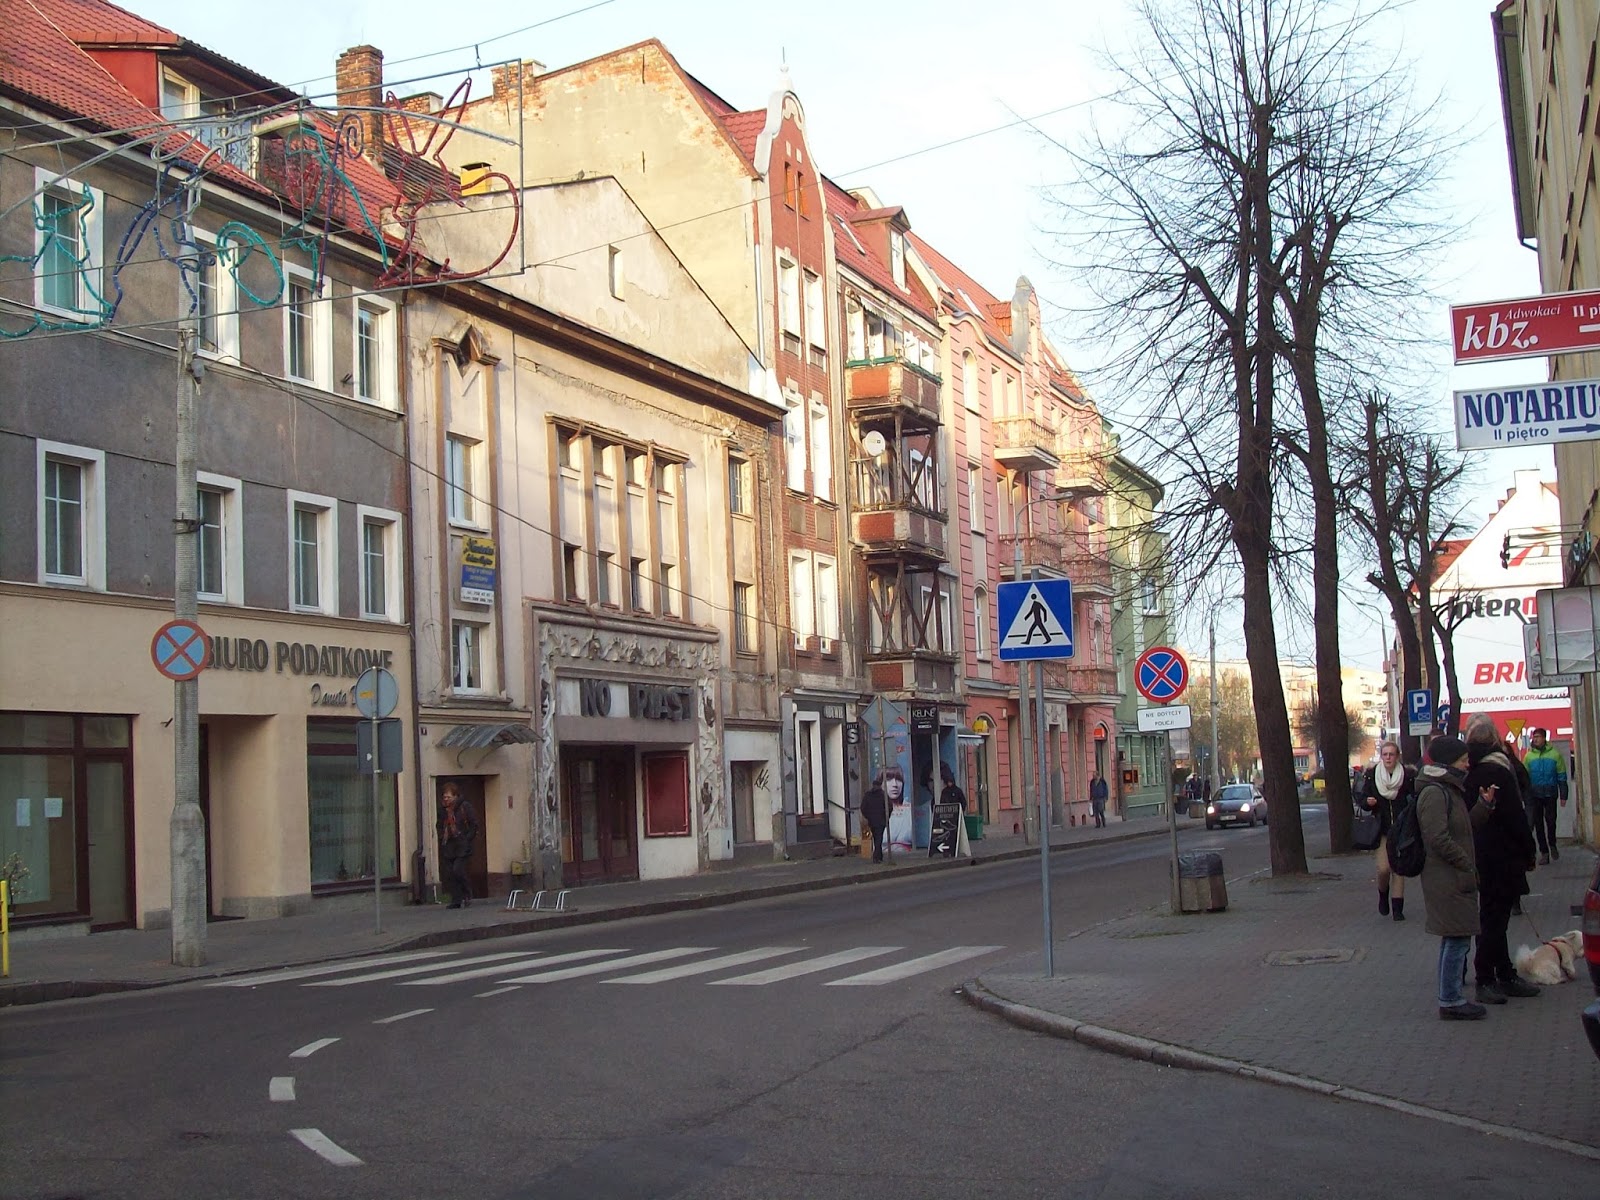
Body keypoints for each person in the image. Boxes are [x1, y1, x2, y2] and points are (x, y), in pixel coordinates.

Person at [1416, 735, 1496, 1020]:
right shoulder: (1435, 792)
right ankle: (1450, 999)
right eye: (1462, 759)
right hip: (1447, 878)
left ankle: (1449, 996)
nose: (1467, 763)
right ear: (1449, 761)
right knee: (1458, 939)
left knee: (1454, 938)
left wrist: (1483, 807)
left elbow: (1462, 830)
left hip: (1453, 876)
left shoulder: (1451, 790)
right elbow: (1437, 837)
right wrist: (1464, 862)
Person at [1461, 716, 1540, 1005]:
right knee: (1496, 919)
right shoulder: (1500, 769)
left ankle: (1503, 972)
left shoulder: (1467, 771)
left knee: (1492, 916)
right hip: (1503, 854)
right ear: (1495, 739)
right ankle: (1488, 977)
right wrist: (1529, 849)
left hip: (1478, 853)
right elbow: (1515, 816)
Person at [1358, 739, 1414, 921]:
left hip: (1401, 829)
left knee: (1399, 868)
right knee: (1384, 869)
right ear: (1381, 756)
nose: (1388, 757)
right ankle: (1383, 893)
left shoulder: (1407, 776)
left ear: (1397, 757)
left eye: (1391, 754)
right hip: (1381, 829)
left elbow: (1413, 798)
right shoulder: (1372, 775)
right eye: (1385, 754)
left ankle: (1398, 909)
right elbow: (1362, 798)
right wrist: (1368, 802)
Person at [1524, 728, 1569, 864]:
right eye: (1534, 737)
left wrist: (1563, 795)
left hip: (1550, 793)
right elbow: (1524, 778)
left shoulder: (1555, 755)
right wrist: (1525, 795)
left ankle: (1552, 843)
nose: (1535, 739)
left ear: (1544, 738)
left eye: (1538, 737)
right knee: (1538, 825)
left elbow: (1561, 776)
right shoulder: (1528, 757)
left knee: (1551, 821)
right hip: (1535, 794)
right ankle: (1544, 852)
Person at [437, 782, 479, 910]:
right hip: (448, 845)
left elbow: (473, 824)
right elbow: (439, 825)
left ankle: (467, 893)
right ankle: (456, 899)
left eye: (448, 797)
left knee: (458, 870)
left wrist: (467, 839)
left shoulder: (464, 807)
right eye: (444, 797)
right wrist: (441, 836)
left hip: (462, 844)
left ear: (455, 796)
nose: (446, 799)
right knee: (450, 873)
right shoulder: (443, 811)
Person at [860, 774, 890, 863]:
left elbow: (863, 808)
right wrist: (886, 817)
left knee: (876, 838)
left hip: (872, 821)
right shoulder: (883, 795)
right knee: (878, 839)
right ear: (880, 786)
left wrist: (868, 816)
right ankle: (877, 857)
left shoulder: (868, 795)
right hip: (881, 821)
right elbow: (889, 807)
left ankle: (878, 856)